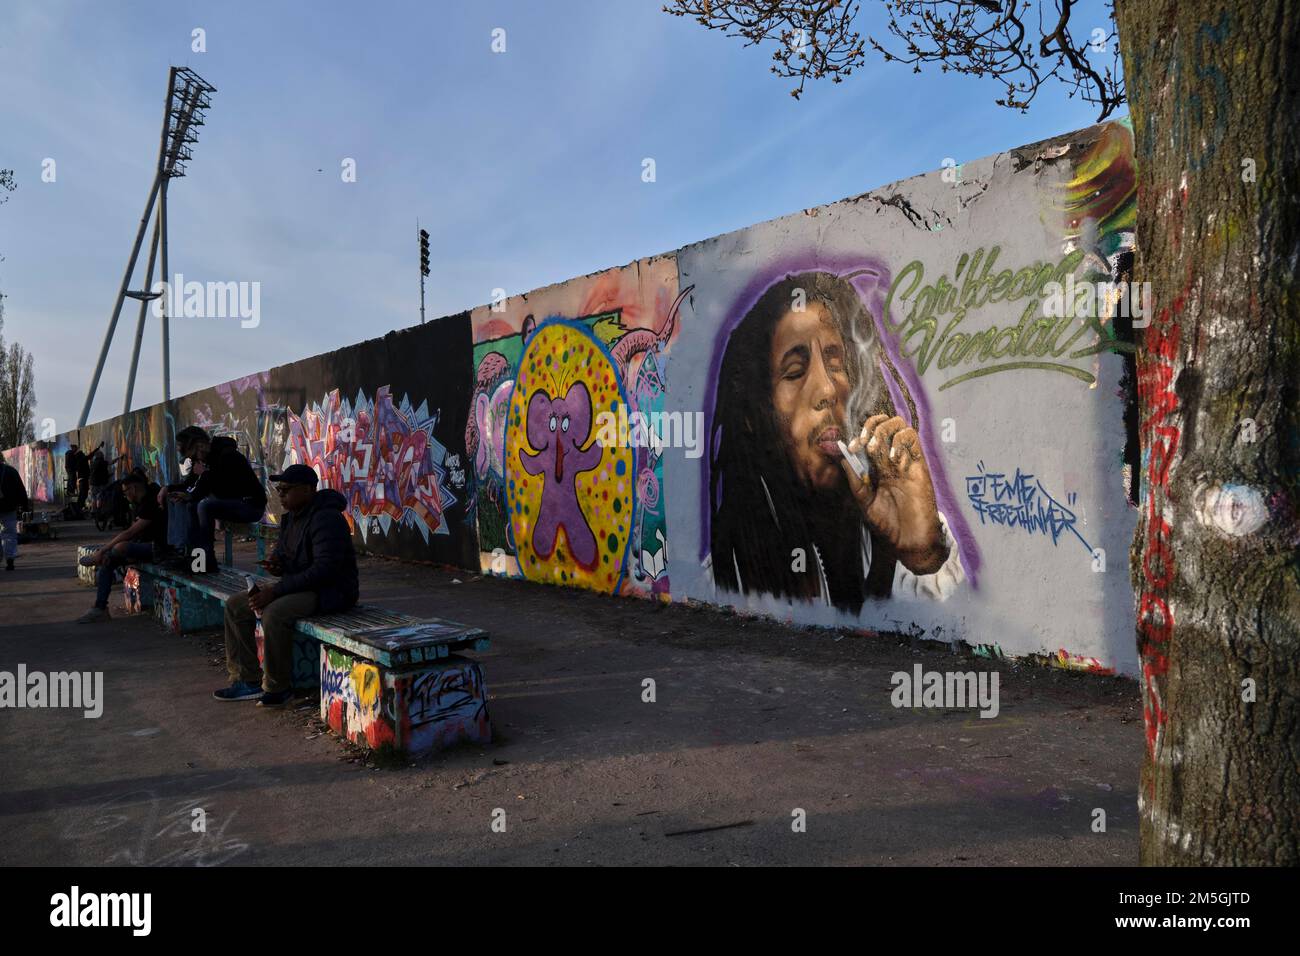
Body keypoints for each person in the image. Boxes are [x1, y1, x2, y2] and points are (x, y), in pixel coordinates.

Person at [708, 271, 964, 614]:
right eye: (795, 372)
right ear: (755, 415)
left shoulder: (896, 540)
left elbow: (958, 630)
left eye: (836, 363)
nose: (828, 390)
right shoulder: (725, 577)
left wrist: (924, 555)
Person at [215, 464, 358, 707]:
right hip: (301, 586)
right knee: (236, 605)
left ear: (308, 490)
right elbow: (285, 554)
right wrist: (277, 564)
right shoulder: (291, 518)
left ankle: (278, 687)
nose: (280, 495)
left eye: (286, 490)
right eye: (279, 489)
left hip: (331, 591)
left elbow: (324, 570)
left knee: (274, 613)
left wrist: (275, 591)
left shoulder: (327, 518)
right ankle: (246, 679)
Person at [165, 425, 267, 573]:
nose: (191, 460)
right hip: (232, 504)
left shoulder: (228, 455)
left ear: (200, 445)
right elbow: (191, 484)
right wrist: (170, 490)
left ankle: (207, 560)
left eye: (192, 455)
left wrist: (204, 474)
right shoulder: (204, 459)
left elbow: (225, 491)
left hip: (250, 505)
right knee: (188, 504)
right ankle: (187, 554)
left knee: (204, 506)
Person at [75, 471, 167, 622]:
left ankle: (100, 556)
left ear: (134, 488)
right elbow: (133, 531)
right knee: (109, 561)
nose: (125, 495)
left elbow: (130, 532)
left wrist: (103, 550)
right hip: (143, 546)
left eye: (125, 492)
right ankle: (100, 608)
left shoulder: (151, 501)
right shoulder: (139, 503)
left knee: (120, 548)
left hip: (159, 549)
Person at [0, 459, 30, 572]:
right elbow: (21, 490)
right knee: (9, 534)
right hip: (9, 507)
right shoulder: (10, 471)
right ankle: (10, 560)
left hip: (9, 507)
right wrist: (24, 506)